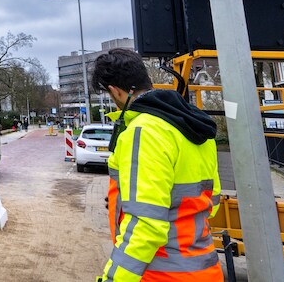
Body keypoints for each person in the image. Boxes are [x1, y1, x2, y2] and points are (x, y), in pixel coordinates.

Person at [92, 48, 221, 282]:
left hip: (162, 274)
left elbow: (146, 225)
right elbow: (212, 203)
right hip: (205, 269)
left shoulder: (143, 132)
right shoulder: (193, 127)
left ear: (115, 91)